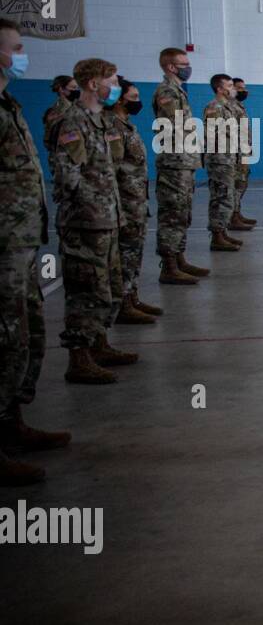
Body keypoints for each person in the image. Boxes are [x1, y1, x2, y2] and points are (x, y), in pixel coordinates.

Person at [0, 18, 69, 484]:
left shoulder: (8, 103)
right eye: (17, 47)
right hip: (5, 242)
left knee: (22, 334)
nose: (24, 54)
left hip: (20, 241)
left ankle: (10, 423)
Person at [48, 57, 138, 384]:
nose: (115, 88)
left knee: (106, 289)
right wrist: (89, 212)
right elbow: (67, 177)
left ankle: (99, 344)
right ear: (92, 84)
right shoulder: (73, 123)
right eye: (111, 82)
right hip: (85, 223)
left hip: (107, 219)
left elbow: (108, 173)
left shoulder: (100, 122)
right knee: (84, 290)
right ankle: (79, 358)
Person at [106, 78, 163, 324]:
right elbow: (111, 169)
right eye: (133, 97)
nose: (138, 101)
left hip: (136, 200)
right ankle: (121, 303)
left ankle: (131, 297)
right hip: (123, 202)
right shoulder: (112, 128)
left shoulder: (126, 125)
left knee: (132, 253)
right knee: (123, 253)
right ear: (119, 99)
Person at [153, 47, 207, 285]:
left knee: (183, 212)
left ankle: (179, 258)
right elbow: (175, 125)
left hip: (184, 161)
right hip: (174, 162)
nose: (188, 67)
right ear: (171, 67)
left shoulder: (178, 91)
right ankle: (169, 266)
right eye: (184, 63)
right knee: (172, 214)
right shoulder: (167, 91)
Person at [202, 73, 243, 253]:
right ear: (219, 88)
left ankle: (222, 231)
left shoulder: (228, 107)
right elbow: (214, 135)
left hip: (228, 158)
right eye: (228, 85)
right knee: (220, 196)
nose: (232, 88)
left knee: (227, 196)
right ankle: (217, 236)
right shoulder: (214, 108)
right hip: (219, 159)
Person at [229, 78, 256, 229]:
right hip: (235, 154)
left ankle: (237, 212)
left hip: (242, 152)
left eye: (244, 88)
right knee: (235, 185)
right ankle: (232, 217)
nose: (244, 91)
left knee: (242, 184)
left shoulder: (239, 106)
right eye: (239, 88)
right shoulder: (229, 107)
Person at [42, 75, 78, 154]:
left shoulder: (70, 106)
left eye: (76, 88)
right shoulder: (62, 109)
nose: (76, 90)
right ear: (61, 89)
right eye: (73, 87)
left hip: (69, 152)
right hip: (66, 154)